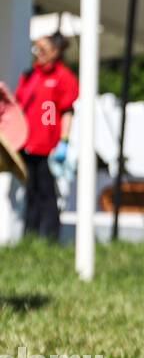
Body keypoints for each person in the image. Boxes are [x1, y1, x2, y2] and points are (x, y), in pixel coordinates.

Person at [2, 33, 79, 240]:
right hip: (27, 145)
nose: (38, 54)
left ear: (56, 51)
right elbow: (17, 107)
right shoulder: (30, 76)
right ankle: (31, 235)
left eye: (43, 49)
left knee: (47, 194)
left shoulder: (63, 78)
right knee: (31, 193)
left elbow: (67, 111)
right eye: (36, 49)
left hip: (49, 148)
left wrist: (64, 142)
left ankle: (49, 237)